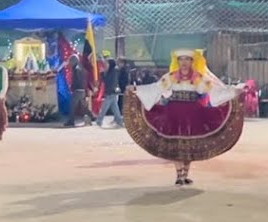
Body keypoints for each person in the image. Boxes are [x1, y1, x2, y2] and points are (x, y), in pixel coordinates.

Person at [131, 50, 243, 186]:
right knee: (176, 145)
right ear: (177, 62)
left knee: (190, 145)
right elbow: (155, 89)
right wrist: (137, 90)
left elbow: (214, 90)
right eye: (181, 59)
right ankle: (179, 175)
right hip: (174, 114)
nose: (184, 63)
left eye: (187, 59)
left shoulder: (199, 78)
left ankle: (185, 174)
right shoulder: (171, 77)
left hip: (193, 114)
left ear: (192, 62)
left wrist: (234, 91)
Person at [96, 57, 123, 127]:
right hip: (112, 92)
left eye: (107, 63)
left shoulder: (113, 71)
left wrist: (102, 74)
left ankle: (99, 121)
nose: (106, 65)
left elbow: (108, 81)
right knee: (115, 108)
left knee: (104, 107)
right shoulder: (113, 70)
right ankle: (119, 121)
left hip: (111, 92)